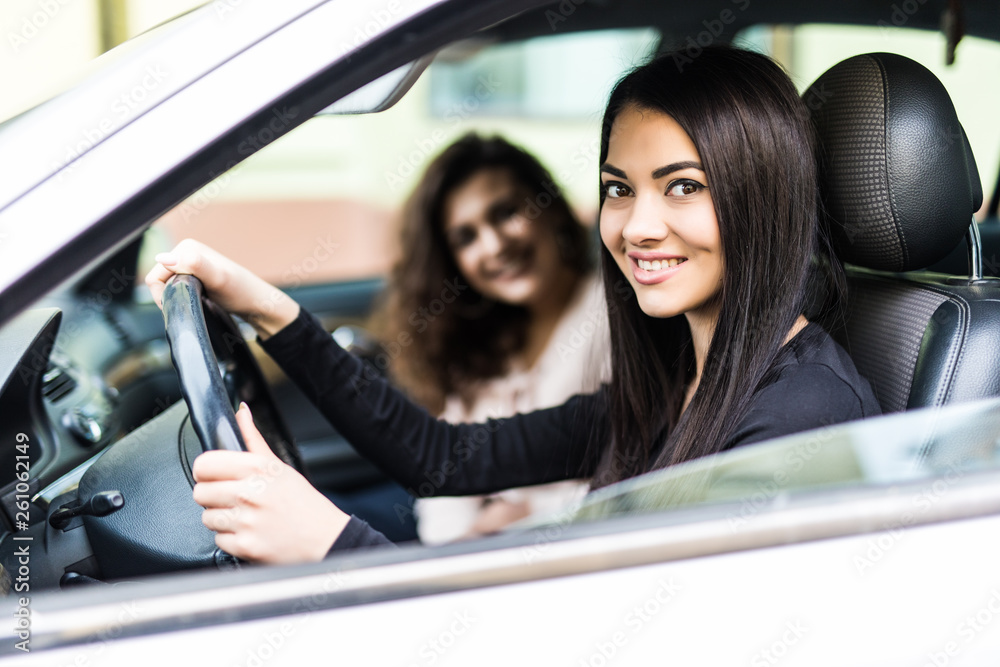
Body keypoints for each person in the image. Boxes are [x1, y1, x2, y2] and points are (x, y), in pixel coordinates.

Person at [146, 46, 881, 565]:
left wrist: (331, 543)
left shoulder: (801, 416)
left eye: (683, 185)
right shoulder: (674, 382)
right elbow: (437, 454)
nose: (637, 224)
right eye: (619, 187)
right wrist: (266, 308)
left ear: (764, 196)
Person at [374, 133, 609, 544]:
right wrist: (461, 545)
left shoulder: (616, 312)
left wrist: (531, 515)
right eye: (466, 237)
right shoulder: (481, 335)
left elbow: (645, 471)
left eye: (505, 213)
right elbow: (442, 487)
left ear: (550, 207)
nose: (495, 246)